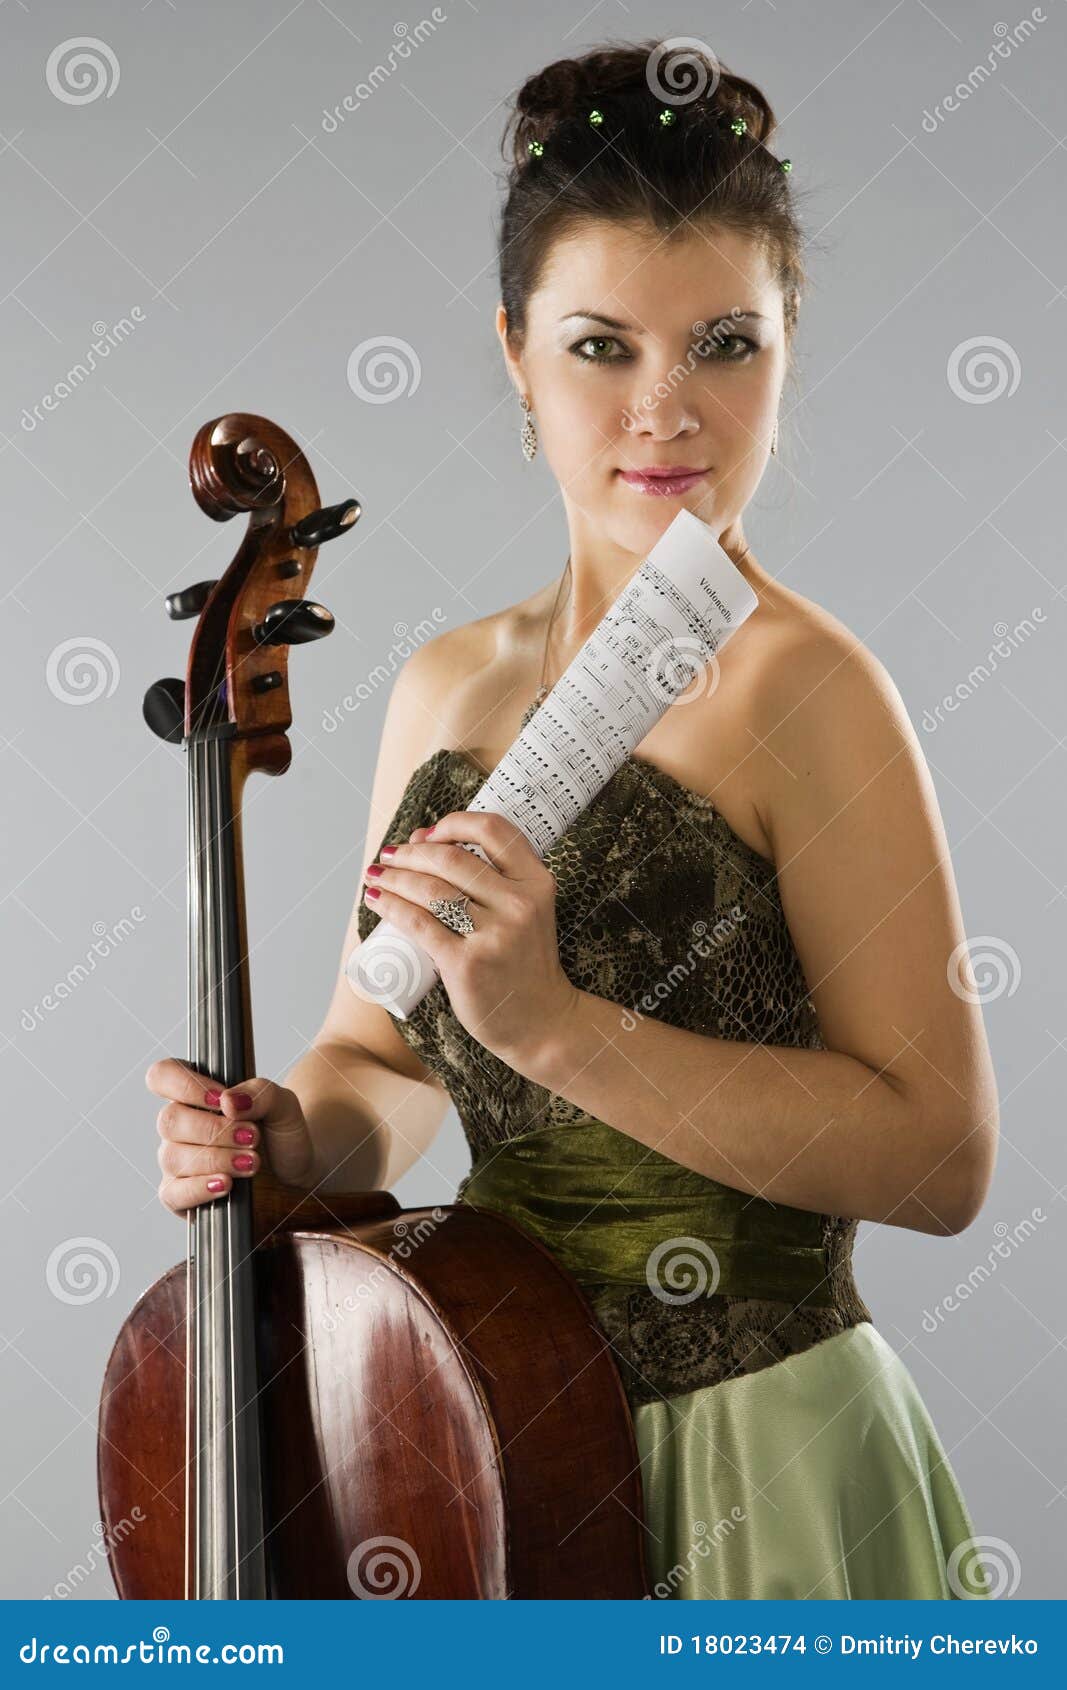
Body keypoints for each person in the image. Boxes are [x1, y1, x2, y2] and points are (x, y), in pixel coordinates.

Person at [147, 40, 999, 1600]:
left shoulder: (806, 689)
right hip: (486, 1439)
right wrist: (286, 1139)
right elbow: (382, 1061)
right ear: (517, 350)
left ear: (789, 343)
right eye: (604, 345)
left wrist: (557, 1028)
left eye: (727, 343)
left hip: (762, 1455)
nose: (667, 412)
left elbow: (942, 1157)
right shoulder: (444, 688)